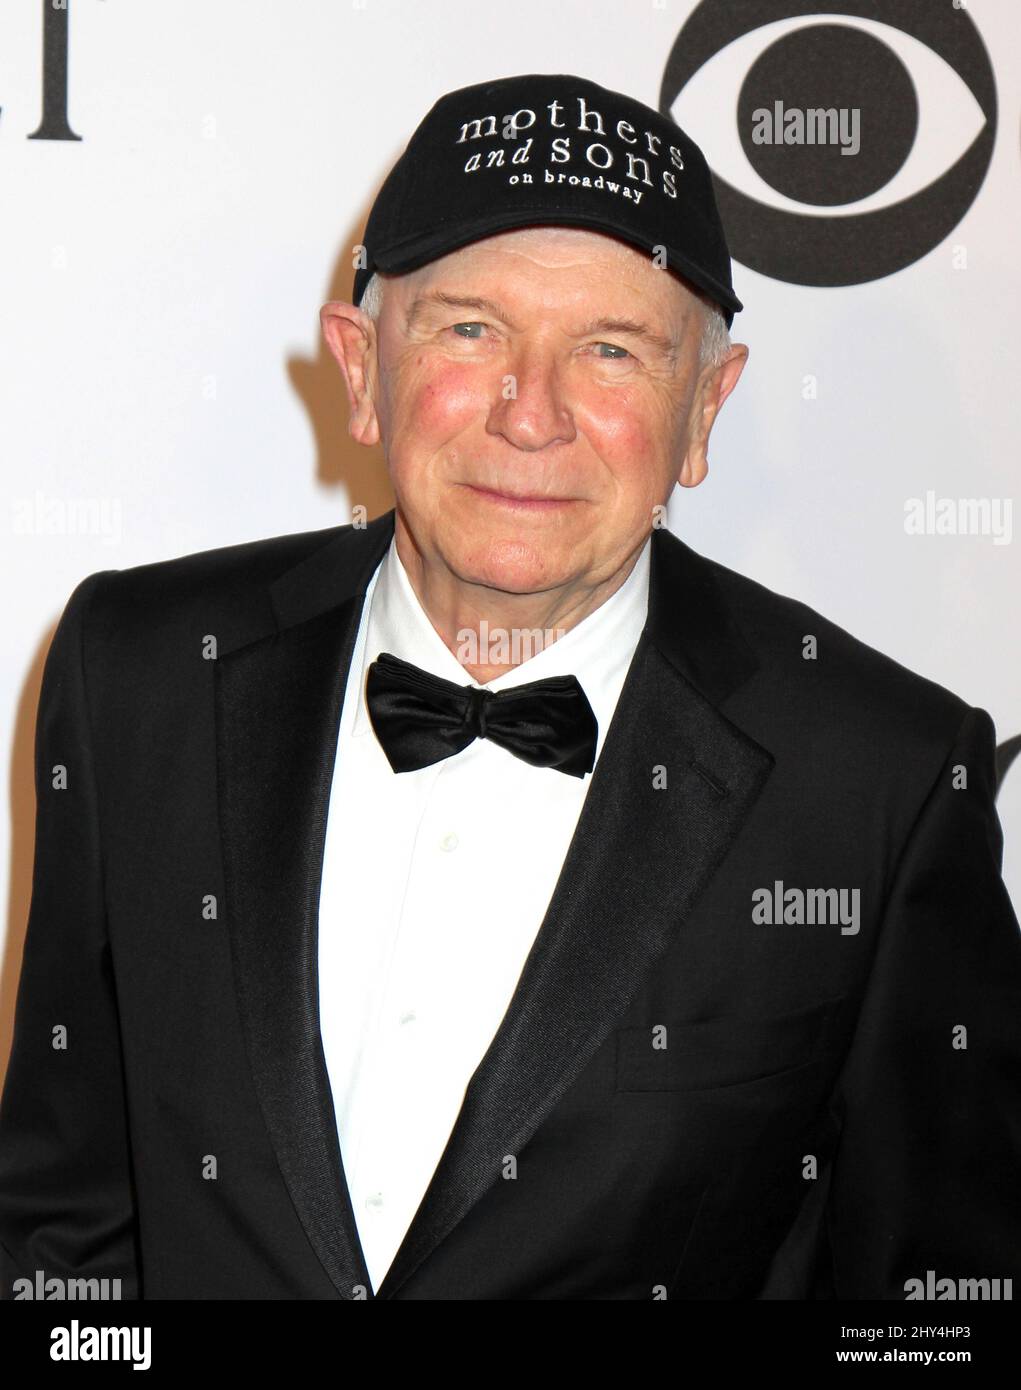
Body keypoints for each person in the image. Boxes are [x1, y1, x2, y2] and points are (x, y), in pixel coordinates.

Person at [1, 72, 1018, 1302]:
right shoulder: (140, 671)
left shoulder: (877, 781)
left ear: (705, 406)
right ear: (362, 368)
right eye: (469, 328)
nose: (530, 415)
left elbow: (938, 1304)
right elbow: (63, 1231)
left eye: (610, 350)